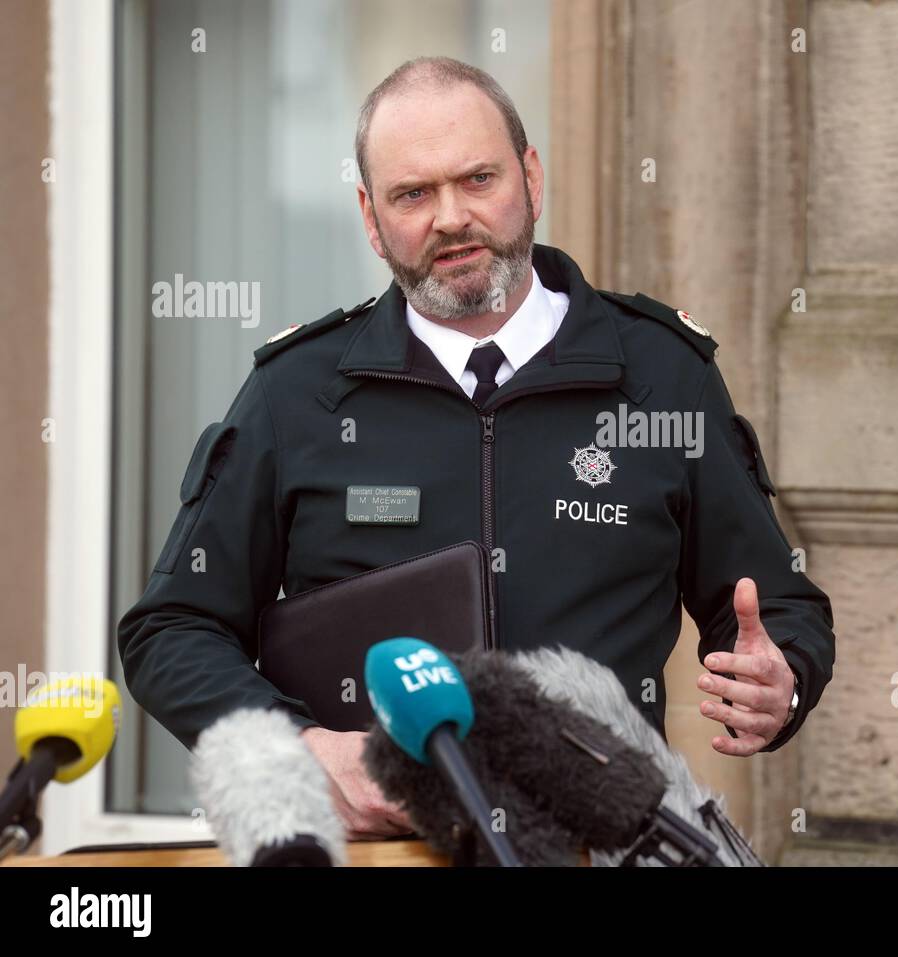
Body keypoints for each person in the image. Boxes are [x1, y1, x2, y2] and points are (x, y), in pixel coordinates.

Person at [118, 57, 835, 840]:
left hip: (604, 843)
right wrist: (301, 748)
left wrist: (781, 680)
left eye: (478, 179)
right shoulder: (296, 396)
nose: (451, 217)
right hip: (386, 851)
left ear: (531, 177)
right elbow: (172, 629)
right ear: (370, 214)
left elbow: (778, 608)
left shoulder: (663, 375)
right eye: (413, 194)